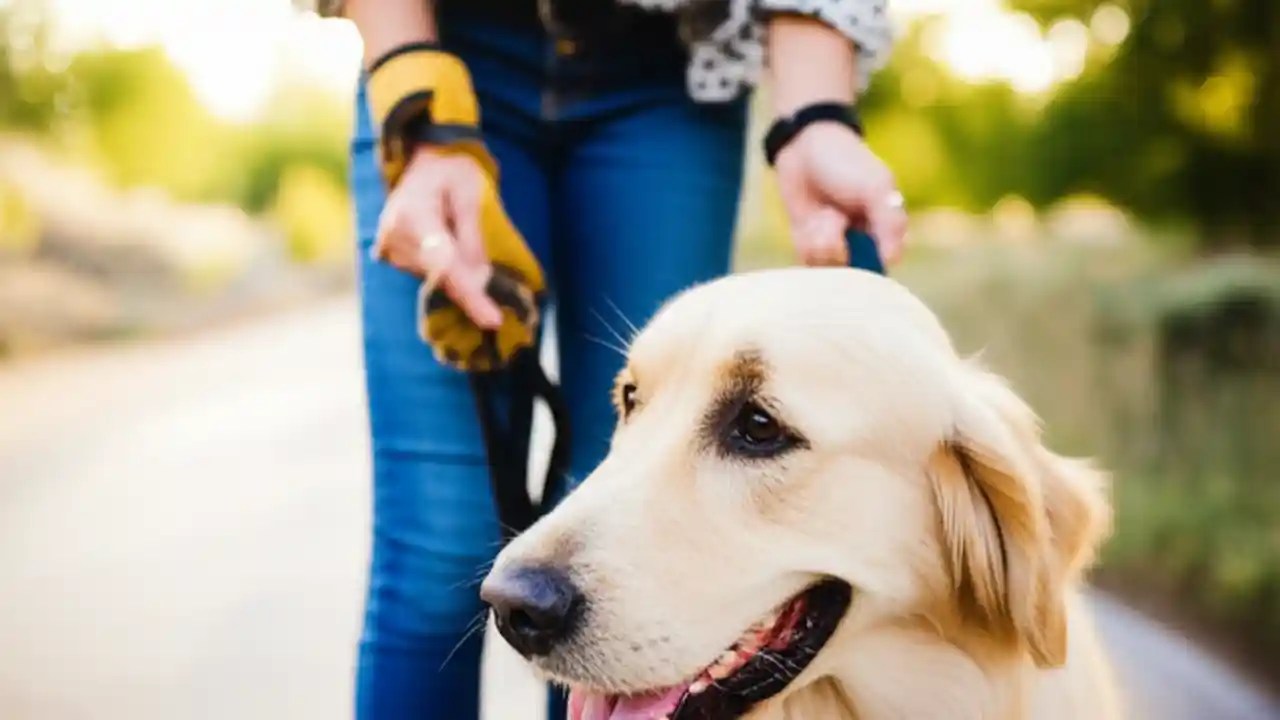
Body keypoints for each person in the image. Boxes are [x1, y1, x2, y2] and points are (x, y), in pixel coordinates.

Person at [319, 0, 907, 717]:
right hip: (445, 46)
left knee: (630, 558)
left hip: (670, 73)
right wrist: (414, 89)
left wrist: (815, 114)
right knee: (438, 546)